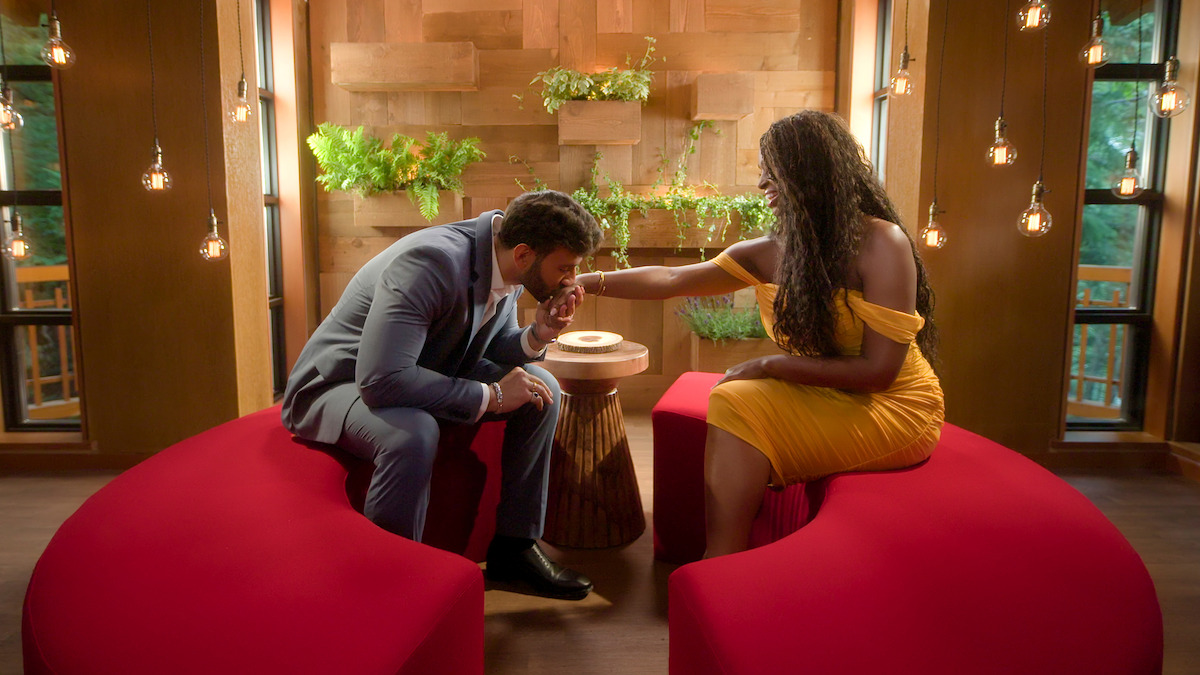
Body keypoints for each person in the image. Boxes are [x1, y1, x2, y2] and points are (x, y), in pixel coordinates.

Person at [571, 111, 944, 558]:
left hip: (893, 404)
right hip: (834, 394)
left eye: (774, 175)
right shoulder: (773, 252)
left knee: (739, 396)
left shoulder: (882, 243)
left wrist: (769, 364)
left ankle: (724, 559)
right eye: (763, 175)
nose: (763, 185)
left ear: (812, 176)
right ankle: (724, 557)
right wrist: (585, 283)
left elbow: (880, 372)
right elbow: (671, 282)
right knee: (732, 399)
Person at [282, 190, 603, 600]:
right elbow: (381, 379)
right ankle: (388, 584)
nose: (571, 280)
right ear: (525, 254)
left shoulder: (510, 259)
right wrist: (491, 396)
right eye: (566, 268)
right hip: (336, 383)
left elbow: (485, 341)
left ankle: (515, 548)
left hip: (426, 367)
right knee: (413, 432)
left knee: (545, 389)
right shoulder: (431, 263)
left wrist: (538, 334)